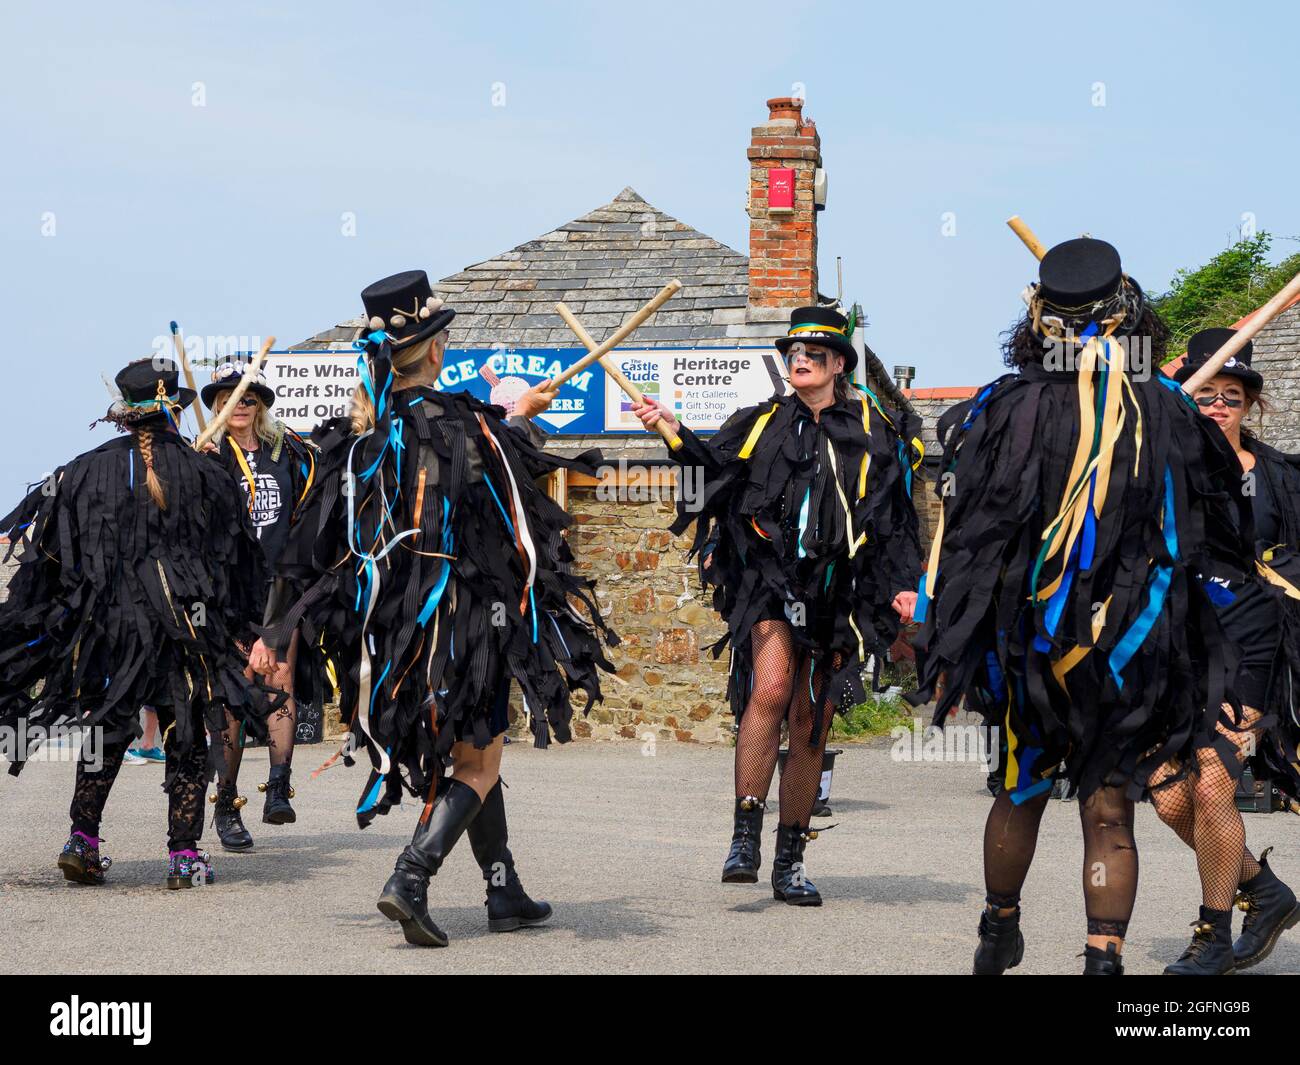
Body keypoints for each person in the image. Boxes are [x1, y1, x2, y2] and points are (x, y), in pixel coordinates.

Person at [247, 270, 618, 946]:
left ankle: (503, 889)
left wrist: (275, 629)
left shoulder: (359, 440)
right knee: (479, 761)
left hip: (391, 630)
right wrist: (520, 419)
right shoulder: (465, 421)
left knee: (474, 750)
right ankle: (411, 875)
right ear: (437, 348)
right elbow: (513, 503)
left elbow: (304, 548)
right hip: (468, 623)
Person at [911, 238, 1251, 974]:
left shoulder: (1002, 407)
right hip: (1128, 648)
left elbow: (970, 537)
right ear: (1128, 313)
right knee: (1107, 805)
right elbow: (1212, 529)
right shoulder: (1166, 410)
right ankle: (1104, 961)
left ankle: (1000, 926)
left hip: (1032, 644)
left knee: (1020, 790)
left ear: (1039, 320)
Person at [633, 305, 922, 906]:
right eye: (793, 352)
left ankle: (790, 859)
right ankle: (745, 835)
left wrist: (905, 583)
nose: (800, 360)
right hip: (768, 582)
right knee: (768, 690)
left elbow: (895, 519)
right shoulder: (761, 422)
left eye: (814, 354)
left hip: (837, 592)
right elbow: (711, 477)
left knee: (809, 721)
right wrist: (670, 429)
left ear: (839, 364)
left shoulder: (876, 432)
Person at [0, 357, 275, 888]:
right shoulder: (207, 471)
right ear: (174, 408)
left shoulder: (81, 469)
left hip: (111, 626)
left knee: (107, 725)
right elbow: (239, 559)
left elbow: (54, 558)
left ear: (123, 413)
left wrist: (58, 620)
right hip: (187, 628)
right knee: (187, 729)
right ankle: (184, 856)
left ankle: (82, 838)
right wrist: (244, 628)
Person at [1150, 327, 1300, 973]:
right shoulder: (1161, 472)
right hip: (1174, 645)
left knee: (1213, 787)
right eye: (1205, 394)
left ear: (1251, 405)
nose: (1218, 406)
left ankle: (1212, 934)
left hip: (1251, 646)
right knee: (1167, 794)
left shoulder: (1281, 477)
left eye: (1231, 396)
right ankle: (1263, 890)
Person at [199, 361, 319, 849]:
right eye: (228, 396)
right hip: (226, 590)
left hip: (278, 586)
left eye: (248, 397)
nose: (240, 404)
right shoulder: (209, 457)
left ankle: (277, 791)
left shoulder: (287, 452)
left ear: (262, 405)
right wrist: (196, 464)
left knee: (279, 679)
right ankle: (226, 806)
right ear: (216, 406)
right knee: (231, 692)